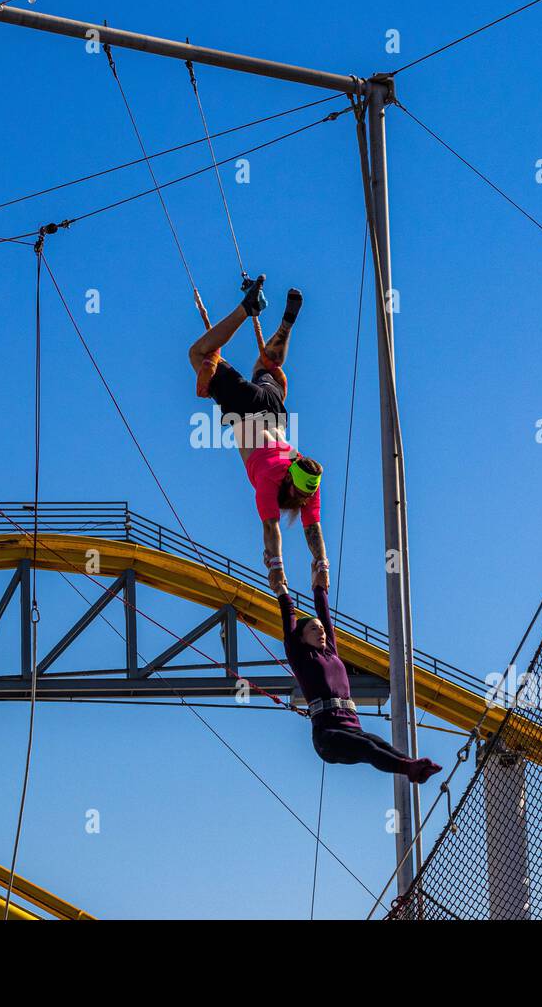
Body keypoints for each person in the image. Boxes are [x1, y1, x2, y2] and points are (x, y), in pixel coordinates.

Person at [188, 275, 326, 592]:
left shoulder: (303, 471)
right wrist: (277, 570)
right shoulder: (272, 479)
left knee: (265, 367)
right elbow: (273, 527)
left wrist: (322, 564)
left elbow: (314, 531)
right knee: (199, 353)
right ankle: (245, 309)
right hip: (246, 410)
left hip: (275, 409)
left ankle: (285, 327)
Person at [275, 574, 443, 783]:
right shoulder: (301, 656)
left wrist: (319, 588)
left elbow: (324, 614)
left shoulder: (331, 653)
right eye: (313, 628)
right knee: (368, 748)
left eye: (321, 628)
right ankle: (410, 769)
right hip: (327, 736)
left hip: (353, 728)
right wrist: (282, 590)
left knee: (382, 745)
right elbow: (288, 617)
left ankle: (417, 768)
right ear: (301, 637)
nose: (321, 631)